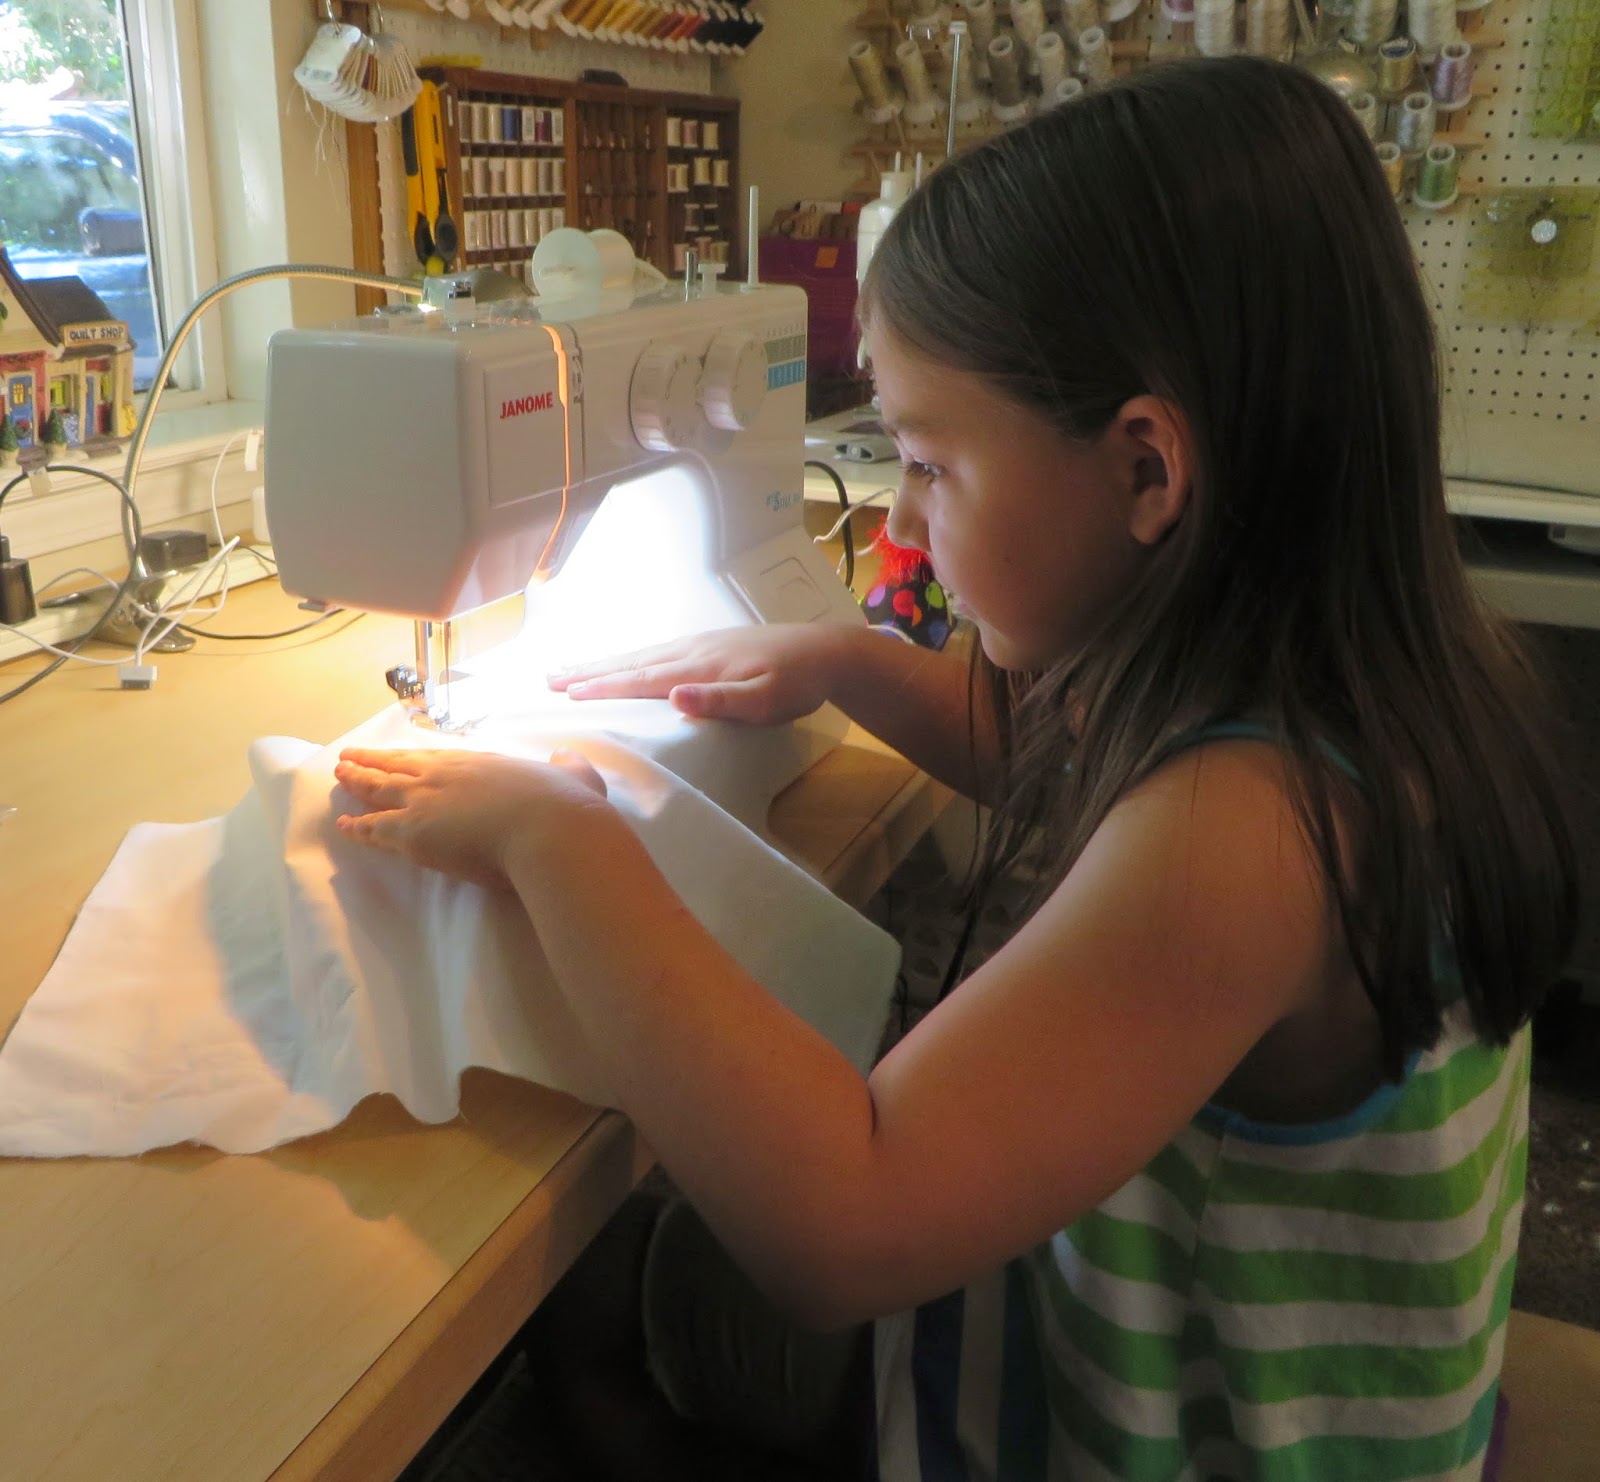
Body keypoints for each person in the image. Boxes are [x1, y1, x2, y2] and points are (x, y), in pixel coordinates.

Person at [333, 56, 1579, 1482]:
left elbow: (845, 1223)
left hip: (1190, 1439)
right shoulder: (1357, 689)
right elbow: (1078, 792)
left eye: (929, 461)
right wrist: (851, 662)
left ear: (1148, 474)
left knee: (635, 1288)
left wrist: (559, 841)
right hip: (1357, 1395)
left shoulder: (1249, 834)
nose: (906, 530)